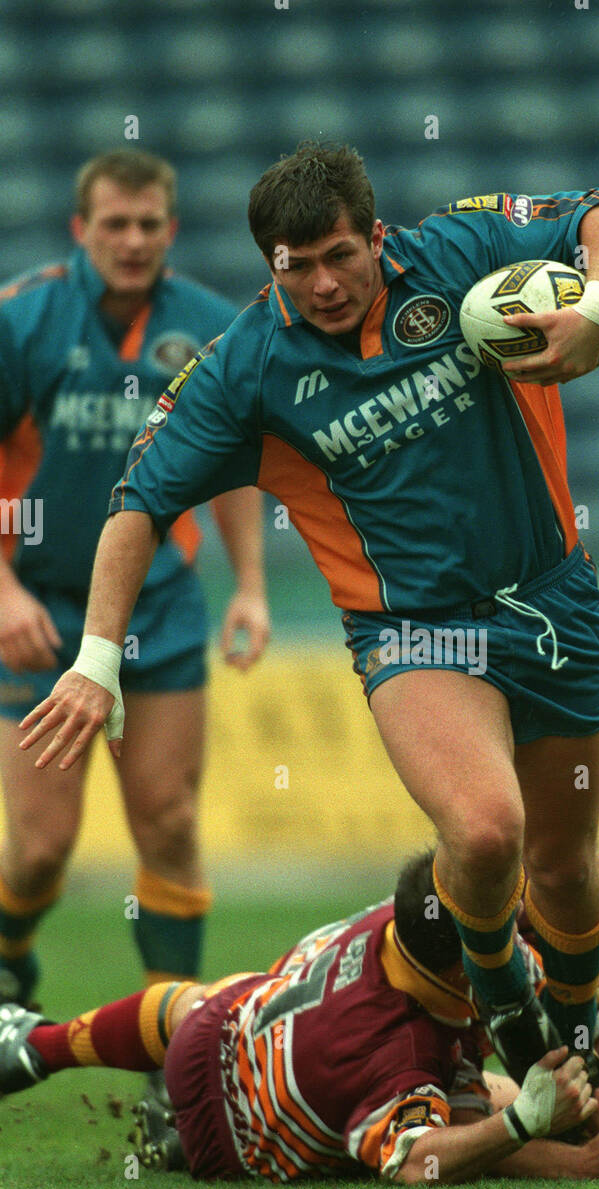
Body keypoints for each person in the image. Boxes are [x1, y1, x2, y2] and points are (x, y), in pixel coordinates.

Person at [19, 142, 599, 1085]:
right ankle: (504, 998)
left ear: (376, 237)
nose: (321, 284)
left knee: (563, 869)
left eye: (338, 257)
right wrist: (96, 657)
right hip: (414, 634)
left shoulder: (457, 248)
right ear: (269, 263)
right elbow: (138, 503)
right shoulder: (243, 369)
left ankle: (573, 1015)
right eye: (295, 265)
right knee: (484, 833)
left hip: (555, 598)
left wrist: (598, 307)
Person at [0, 149, 270, 1010]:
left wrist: (251, 589)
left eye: (149, 223)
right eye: (114, 223)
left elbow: (234, 468)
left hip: (160, 608)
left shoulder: (209, 325)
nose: (132, 239)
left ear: (171, 229)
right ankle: (9, 960)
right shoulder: (22, 320)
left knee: (170, 822)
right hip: (34, 612)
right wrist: (1, 595)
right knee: (42, 849)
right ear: (81, 230)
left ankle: (173, 1044)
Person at [0, 851, 599, 1185]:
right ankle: (70, 1065)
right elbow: (415, 1164)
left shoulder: (417, 926)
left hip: (257, 1008)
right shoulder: (388, 1051)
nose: (517, 940)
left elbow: (597, 1012)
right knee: (504, 1110)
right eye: (499, 938)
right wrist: (566, 1154)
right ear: (464, 971)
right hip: (234, 1125)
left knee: (200, 999)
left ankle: (40, 1045)